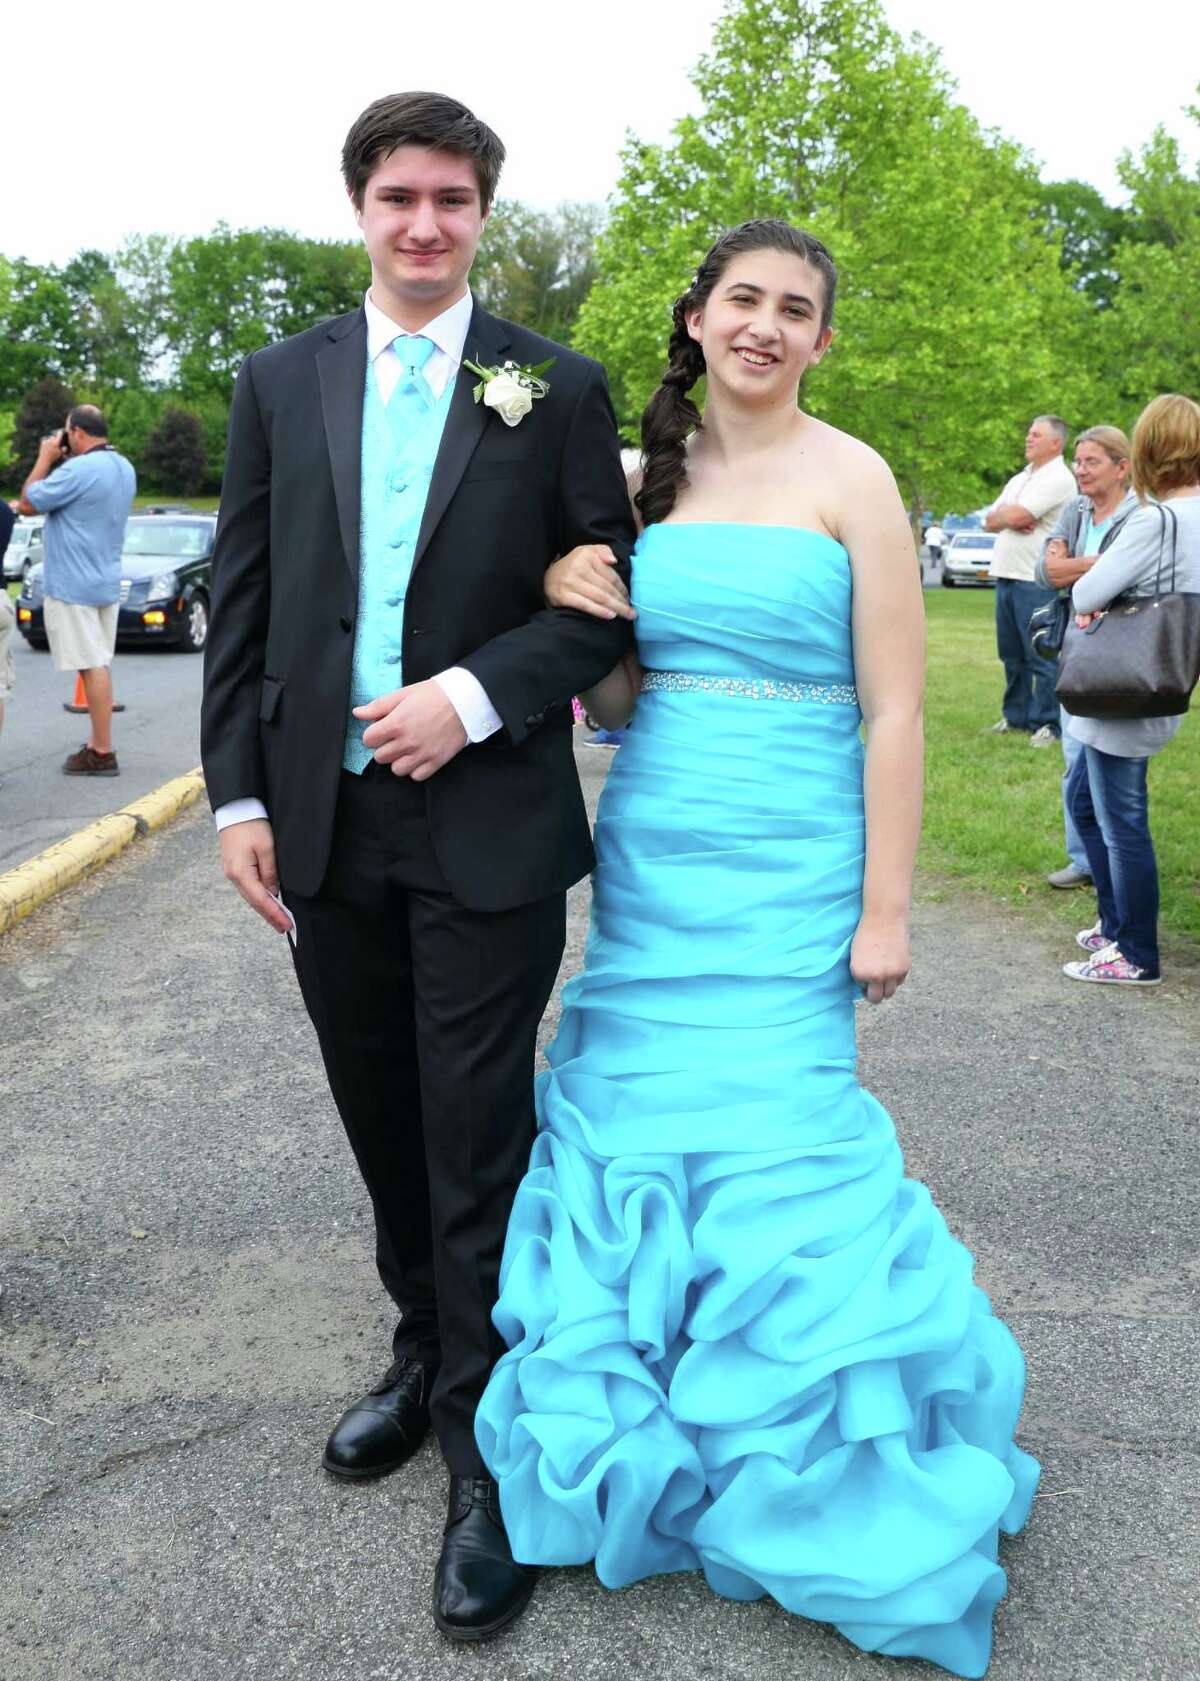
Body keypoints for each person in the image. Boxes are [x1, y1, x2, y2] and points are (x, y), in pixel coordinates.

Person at [475, 221, 1038, 1679]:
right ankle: (666, 1408)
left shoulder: (855, 478)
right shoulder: (630, 485)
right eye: (746, 301)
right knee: (651, 1117)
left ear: (823, 338)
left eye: (798, 310)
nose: (769, 327)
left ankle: (809, 1429)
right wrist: (569, 609)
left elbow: (898, 712)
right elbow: (612, 706)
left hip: (799, 858)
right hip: (663, 841)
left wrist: (887, 905)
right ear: (699, 315)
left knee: (784, 1127)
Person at [200, 91, 634, 1641]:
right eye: (400, 197)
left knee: (476, 1128)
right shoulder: (278, 379)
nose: (425, 224)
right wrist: (234, 801)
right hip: (322, 826)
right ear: (361, 206)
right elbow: (242, 603)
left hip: (485, 818)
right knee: (380, 1107)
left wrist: (470, 694)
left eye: (453, 199)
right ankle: (415, 1341)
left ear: (483, 213)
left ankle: (485, 1450)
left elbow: (601, 598)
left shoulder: (553, 386)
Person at [1061, 394, 1200, 987]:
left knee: (1119, 820)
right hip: (1155, 677)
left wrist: (1091, 589)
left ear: (1147, 450)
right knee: (1088, 803)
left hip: (1122, 685)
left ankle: (1136, 950)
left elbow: (1086, 595)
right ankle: (1116, 924)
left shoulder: (1156, 520)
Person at [1035, 428, 1137, 888]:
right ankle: (1084, 861)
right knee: (1074, 752)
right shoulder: (1075, 509)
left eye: (1092, 462)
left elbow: (1127, 576)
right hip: (1075, 649)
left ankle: (1115, 859)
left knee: (1111, 761)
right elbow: (1045, 571)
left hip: (1120, 649)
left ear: (1122, 467)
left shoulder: (1140, 515)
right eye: (1078, 461)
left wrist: (1071, 565)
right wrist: (1094, 564)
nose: (1080, 470)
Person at [18, 407, 135, 775]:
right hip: (104, 579)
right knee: (98, 661)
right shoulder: (123, 467)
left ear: (78, 433)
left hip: (74, 584)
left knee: (91, 664)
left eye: (66, 432)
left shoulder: (76, 470)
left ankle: (101, 751)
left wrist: (45, 458)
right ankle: (99, 744)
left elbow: (28, 502)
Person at [984, 416, 1076, 744]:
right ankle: (1016, 717)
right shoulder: (1021, 478)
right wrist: (1008, 517)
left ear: (1056, 443)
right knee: (1011, 654)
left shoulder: (1060, 478)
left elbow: (1019, 516)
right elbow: (989, 519)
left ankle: (1048, 724)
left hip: (1034, 580)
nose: (1028, 438)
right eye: (1028, 433)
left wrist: (1013, 517)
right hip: (1007, 575)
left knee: (1041, 653)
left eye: (1036, 435)